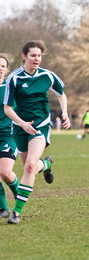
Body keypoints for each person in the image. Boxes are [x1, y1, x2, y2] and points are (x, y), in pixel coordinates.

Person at [3, 40, 71, 224]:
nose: (37, 59)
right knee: (30, 168)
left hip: (41, 126)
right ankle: (47, 165)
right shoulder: (14, 78)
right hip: (19, 128)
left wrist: (64, 113)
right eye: (33, 55)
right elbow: (8, 108)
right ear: (24, 56)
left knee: (30, 167)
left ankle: (16, 212)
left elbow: (61, 94)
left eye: (39, 55)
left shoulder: (48, 76)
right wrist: (22, 123)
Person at [0, 53, 19, 219]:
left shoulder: (10, 87)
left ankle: (19, 195)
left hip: (9, 135)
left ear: (6, 70)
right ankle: (3, 208)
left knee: (5, 173)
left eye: (2, 66)